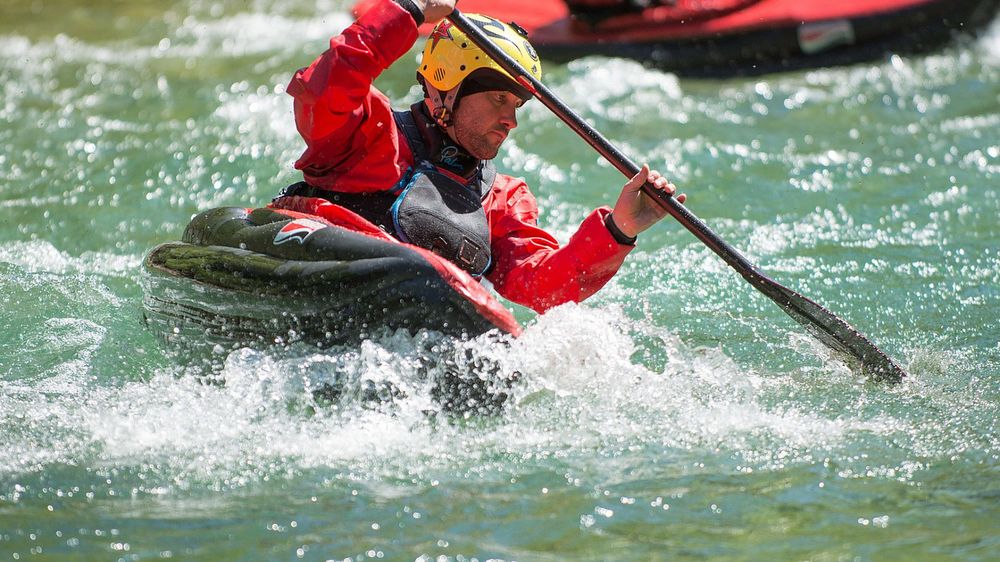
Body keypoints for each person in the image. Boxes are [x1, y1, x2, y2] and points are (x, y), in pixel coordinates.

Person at [270, 0, 685, 315]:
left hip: (414, 325)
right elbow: (325, 87)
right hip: (324, 278)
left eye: (517, 105)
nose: (510, 120)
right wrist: (406, 11)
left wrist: (620, 227)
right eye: (498, 98)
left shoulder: (501, 199)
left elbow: (542, 286)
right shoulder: (368, 134)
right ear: (445, 87)